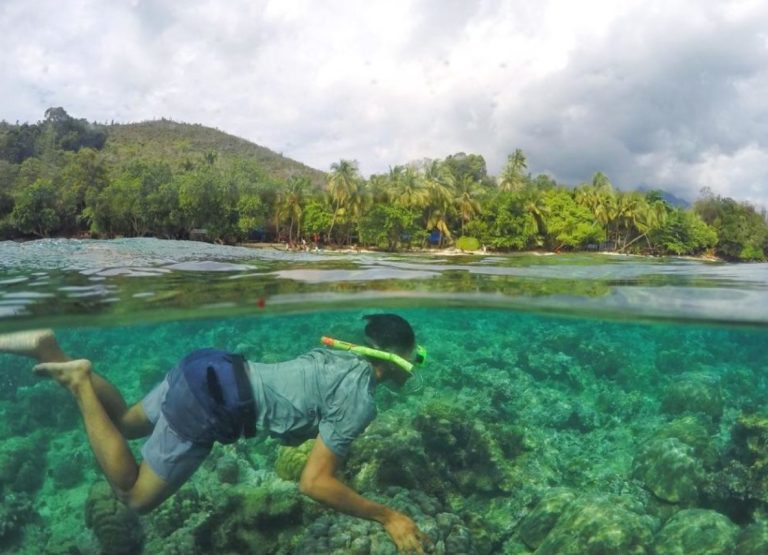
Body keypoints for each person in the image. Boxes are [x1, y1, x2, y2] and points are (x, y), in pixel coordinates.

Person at [0, 314, 430, 554]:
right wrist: (387, 516)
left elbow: (293, 405)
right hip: (213, 404)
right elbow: (314, 483)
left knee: (129, 422)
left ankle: (50, 349)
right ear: (396, 360)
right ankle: (77, 380)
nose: (418, 362)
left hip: (207, 366)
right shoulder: (360, 399)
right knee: (134, 495)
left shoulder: (335, 355)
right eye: (417, 357)